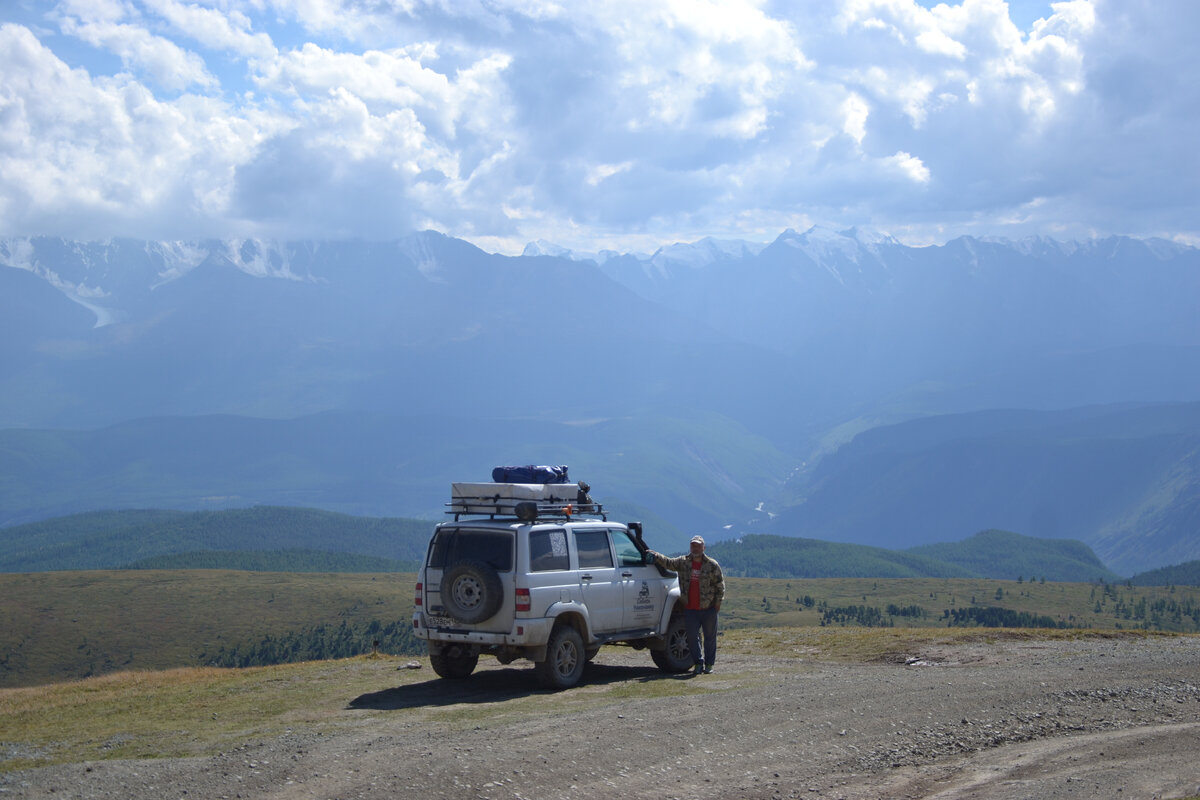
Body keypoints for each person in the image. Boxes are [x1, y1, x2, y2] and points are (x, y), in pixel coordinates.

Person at [648, 535, 725, 675]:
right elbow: (668, 563)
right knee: (691, 638)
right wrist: (656, 555)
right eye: (693, 545)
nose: (695, 548)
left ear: (703, 547)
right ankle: (698, 663)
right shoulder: (683, 562)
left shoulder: (712, 565)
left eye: (698, 545)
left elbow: (720, 585)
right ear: (690, 547)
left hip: (708, 609)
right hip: (690, 609)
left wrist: (717, 603)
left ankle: (709, 664)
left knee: (709, 638)